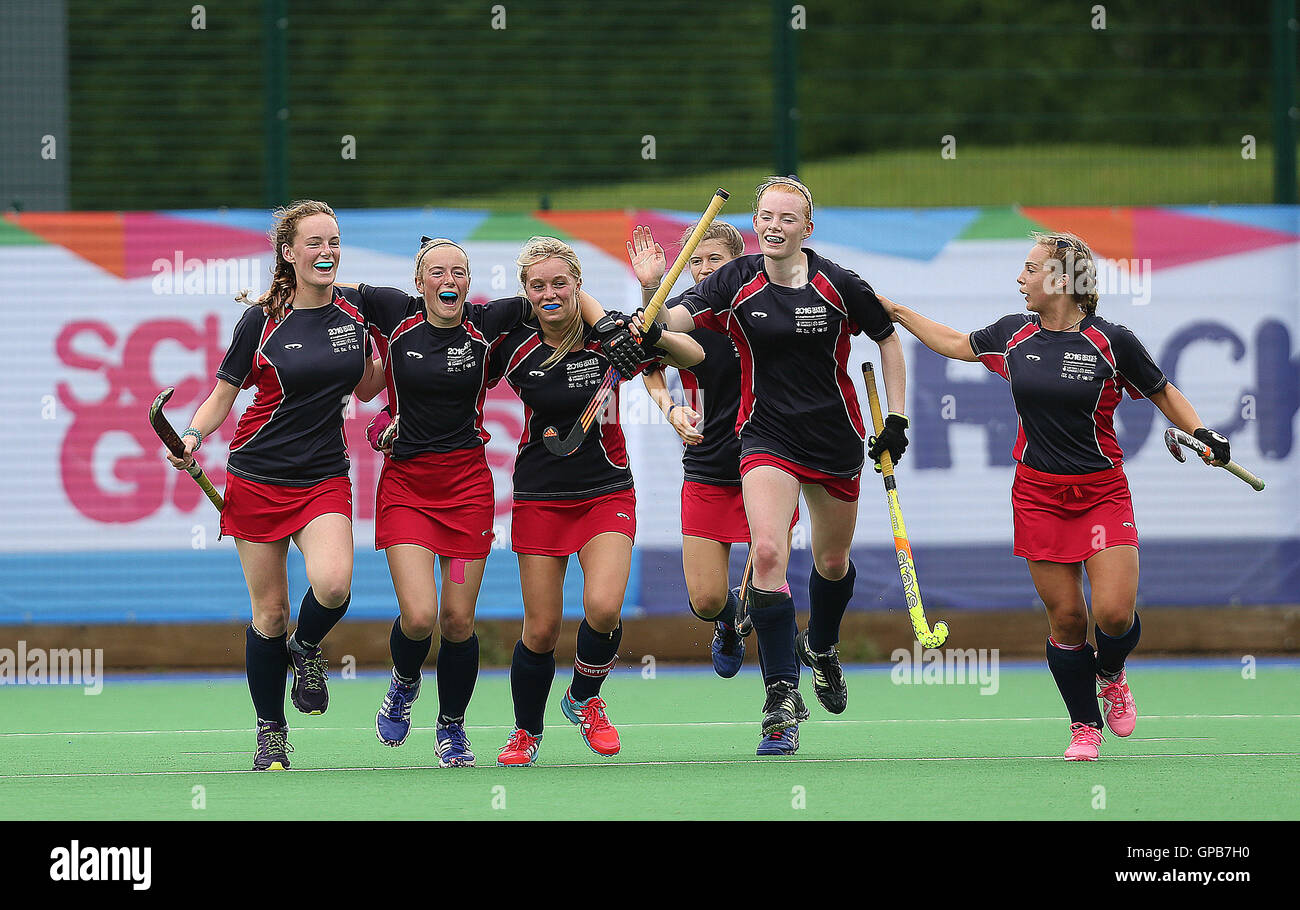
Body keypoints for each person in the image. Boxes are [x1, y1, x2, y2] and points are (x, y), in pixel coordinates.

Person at [882, 231, 1233, 761]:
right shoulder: (1013, 334)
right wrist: (894, 310)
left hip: (1101, 492)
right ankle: (1084, 725)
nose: (1020, 279)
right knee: (1067, 618)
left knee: (1114, 614)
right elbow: (954, 344)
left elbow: (1161, 390)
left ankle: (1111, 673)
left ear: (1063, 280)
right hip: (1038, 495)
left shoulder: (1112, 341)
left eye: (1030, 269)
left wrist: (1203, 432)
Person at [356, 237, 642, 767]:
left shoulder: (490, 325)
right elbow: (320, 291)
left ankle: (452, 728)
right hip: (408, 494)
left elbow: (565, 291)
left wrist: (610, 324)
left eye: (459, 271)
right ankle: (402, 683)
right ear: (419, 282)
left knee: (459, 620)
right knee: (420, 618)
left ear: (470, 281)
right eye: (437, 272)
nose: (449, 280)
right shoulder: (392, 311)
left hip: (466, 493)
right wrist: (274, 295)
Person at [652, 177, 908, 755]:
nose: (773, 226)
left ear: (807, 228)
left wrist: (896, 418)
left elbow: (888, 340)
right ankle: (780, 700)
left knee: (832, 560)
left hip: (835, 438)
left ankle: (822, 646)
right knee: (767, 552)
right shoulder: (735, 280)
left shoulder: (839, 284)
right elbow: (679, 319)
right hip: (765, 435)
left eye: (786, 219)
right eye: (764, 216)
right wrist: (642, 323)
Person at [165, 200, 383, 771]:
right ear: (288, 253)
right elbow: (223, 395)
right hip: (257, 476)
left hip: (323, 477)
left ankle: (307, 648)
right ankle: (271, 736)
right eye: (314, 242)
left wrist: (393, 377)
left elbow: (365, 390)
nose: (327, 252)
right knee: (269, 613)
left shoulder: (356, 311)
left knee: (333, 588)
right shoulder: (261, 320)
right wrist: (190, 436)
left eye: (333, 241)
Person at [490, 236, 703, 767]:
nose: (550, 293)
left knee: (603, 609)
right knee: (539, 630)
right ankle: (526, 732)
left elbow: (679, 357)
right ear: (526, 292)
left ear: (577, 285)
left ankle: (584, 698)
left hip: (606, 489)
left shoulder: (607, 337)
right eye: (538, 286)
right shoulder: (512, 343)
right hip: (540, 493)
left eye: (560, 283)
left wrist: (670, 408)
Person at [628, 221, 797, 678]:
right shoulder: (687, 317)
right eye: (695, 262)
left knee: (765, 580)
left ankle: (782, 695)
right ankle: (725, 622)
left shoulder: (769, 309)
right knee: (706, 601)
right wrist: (669, 409)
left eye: (713, 260)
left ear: (739, 261)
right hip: (706, 463)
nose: (703, 270)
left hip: (769, 462)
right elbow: (650, 354)